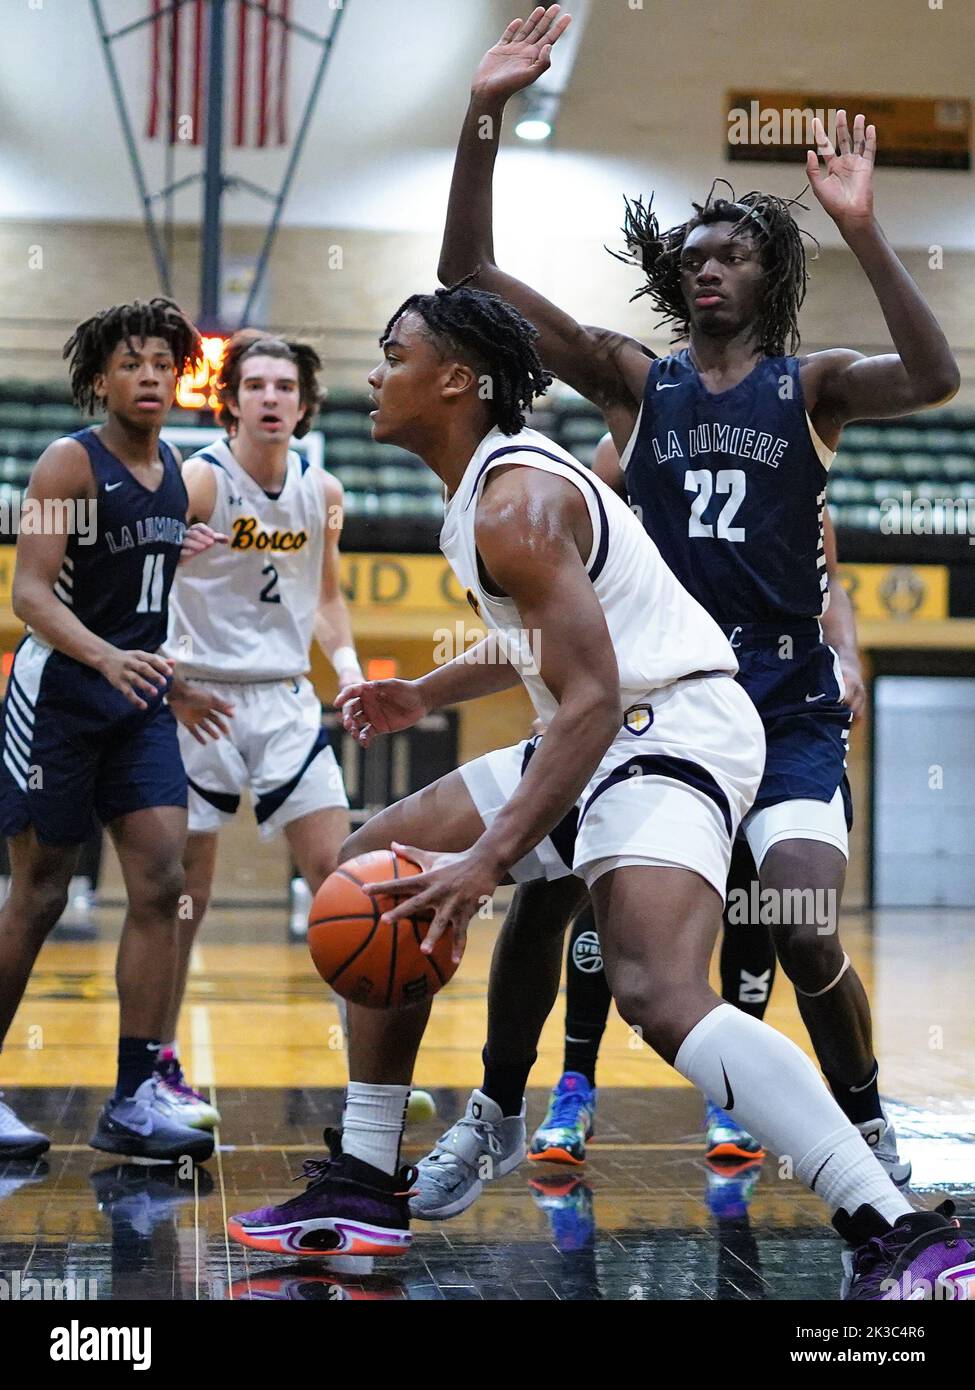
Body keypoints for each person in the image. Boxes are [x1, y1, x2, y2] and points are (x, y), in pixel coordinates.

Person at [225, 284, 972, 1301]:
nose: (372, 375)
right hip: (620, 717)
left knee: (657, 991)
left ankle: (902, 1229)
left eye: (392, 353)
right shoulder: (489, 490)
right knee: (374, 863)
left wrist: (487, 860)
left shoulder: (514, 501)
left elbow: (589, 699)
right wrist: (427, 692)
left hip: (677, 724)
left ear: (455, 379)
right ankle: (363, 1175)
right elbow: (567, 648)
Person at [419, 6, 965, 1219]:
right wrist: (483, 114)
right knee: (549, 885)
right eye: (693, 252)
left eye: (732, 249)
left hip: (783, 707)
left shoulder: (810, 385)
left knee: (803, 922)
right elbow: (472, 277)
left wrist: (867, 231)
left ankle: (865, 1116)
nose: (706, 262)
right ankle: (507, 1109)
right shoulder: (633, 378)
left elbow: (935, 378)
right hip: (657, 693)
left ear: (772, 272)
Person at [527, 439, 866, 1171]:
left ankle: (727, 1095)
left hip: (765, 710)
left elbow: (828, 586)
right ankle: (574, 1083)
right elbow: (573, 511)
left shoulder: (792, 473)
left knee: (756, 904)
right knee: (608, 895)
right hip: (663, 701)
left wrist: (846, 653)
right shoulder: (640, 437)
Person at [0, 298, 229, 1164]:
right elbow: (29, 594)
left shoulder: (176, 470)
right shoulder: (69, 463)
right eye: (132, 364)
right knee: (43, 891)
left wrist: (173, 552)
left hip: (134, 699)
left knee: (163, 877)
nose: (150, 378)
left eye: (164, 366)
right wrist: (102, 658)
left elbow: (133, 575)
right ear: (101, 380)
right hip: (59, 692)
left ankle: (134, 1096)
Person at [157, 330, 359, 1128]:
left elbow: (328, 597)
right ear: (230, 400)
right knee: (184, 895)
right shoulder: (200, 480)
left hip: (283, 697)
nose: (271, 397)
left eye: (285, 386)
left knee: (343, 880)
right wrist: (175, 553)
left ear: (304, 404)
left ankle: (370, 1072)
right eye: (256, 385)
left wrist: (348, 674)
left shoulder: (324, 490)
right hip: (198, 695)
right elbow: (140, 579)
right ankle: (159, 1065)